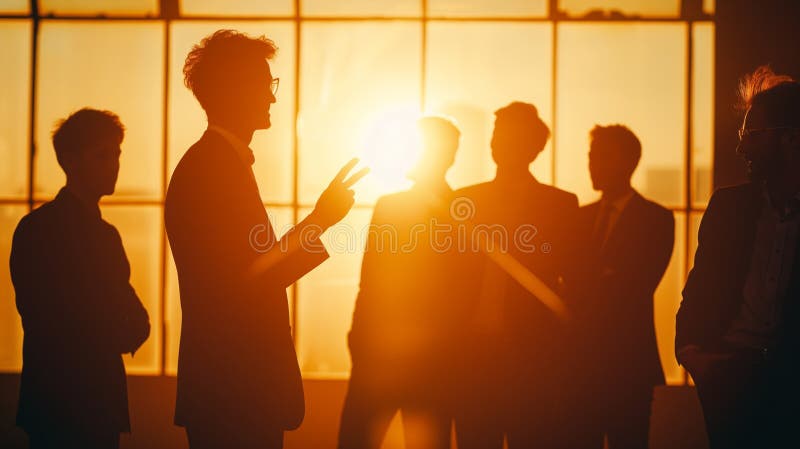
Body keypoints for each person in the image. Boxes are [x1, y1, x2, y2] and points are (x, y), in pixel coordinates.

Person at [165, 30, 366, 449]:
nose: (272, 97)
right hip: (235, 388)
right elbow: (251, 278)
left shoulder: (213, 164)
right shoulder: (212, 171)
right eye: (264, 84)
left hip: (231, 387)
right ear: (234, 89)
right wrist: (321, 219)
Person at [9, 108, 151, 449]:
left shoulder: (39, 230)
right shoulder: (50, 233)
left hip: (62, 400)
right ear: (70, 161)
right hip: (79, 400)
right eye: (103, 155)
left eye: (116, 154)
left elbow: (128, 321)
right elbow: (131, 321)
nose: (115, 164)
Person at [676, 66, 800, 449]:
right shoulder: (729, 207)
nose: (740, 147)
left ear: (791, 140)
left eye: (751, 135)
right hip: (730, 377)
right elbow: (698, 290)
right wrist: (694, 354)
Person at [452, 102, 579, 449]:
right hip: (471, 357)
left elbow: (574, 284)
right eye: (496, 135)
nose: (498, 143)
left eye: (507, 136)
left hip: (531, 358)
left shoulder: (560, 206)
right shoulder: (463, 202)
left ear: (533, 147)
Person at [338, 116, 462, 449]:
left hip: (388, 352)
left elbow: (371, 279)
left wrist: (359, 337)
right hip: (421, 357)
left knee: (357, 438)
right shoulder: (462, 211)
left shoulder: (393, 206)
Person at [568, 124, 674, 449]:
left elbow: (637, 286)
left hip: (628, 367)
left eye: (600, 156)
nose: (591, 164)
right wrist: (603, 276)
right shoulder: (578, 218)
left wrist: (586, 281)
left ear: (628, 162)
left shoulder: (656, 219)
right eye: (590, 156)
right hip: (579, 370)